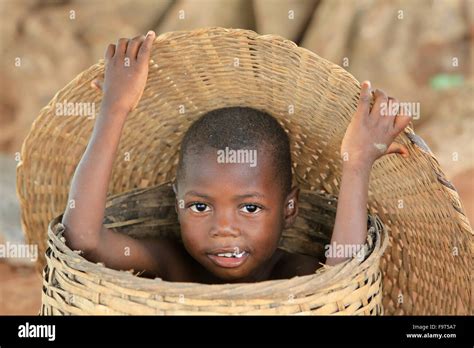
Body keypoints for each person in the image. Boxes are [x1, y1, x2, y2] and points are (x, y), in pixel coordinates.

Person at [62, 31, 411, 284]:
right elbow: (83, 239)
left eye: (250, 207)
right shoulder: (173, 265)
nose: (224, 229)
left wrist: (357, 163)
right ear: (177, 202)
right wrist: (115, 108)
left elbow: (344, 283)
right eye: (200, 206)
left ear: (289, 208)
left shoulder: (296, 274)